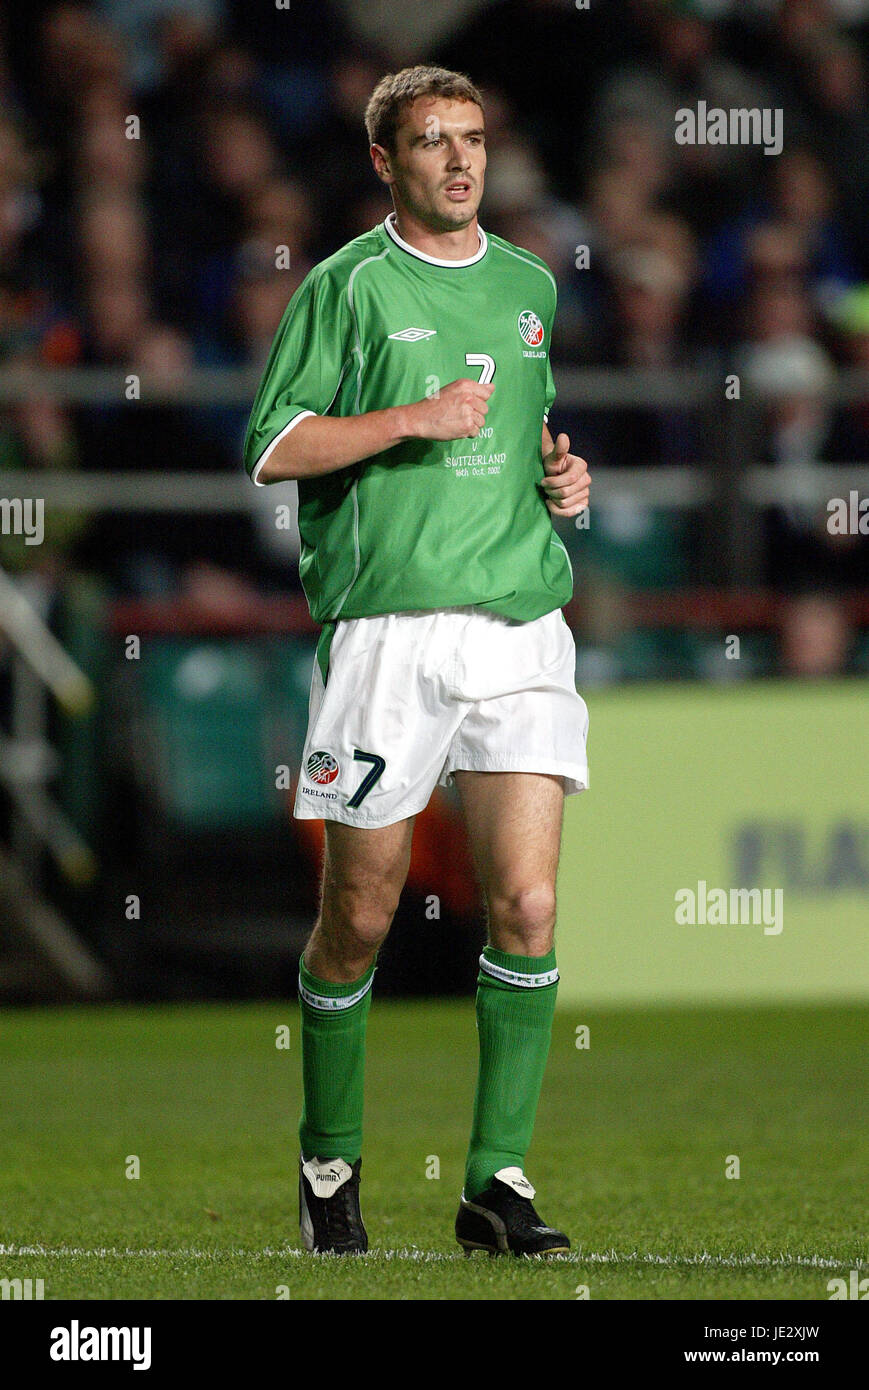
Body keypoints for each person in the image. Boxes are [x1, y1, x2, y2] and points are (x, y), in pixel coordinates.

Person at [244, 65, 591, 1257]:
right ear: (384, 163)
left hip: (517, 625)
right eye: (432, 142)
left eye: (473, 139)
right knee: (361, 914)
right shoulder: (345, 287)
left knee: (529, 905)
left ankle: (495, 1182)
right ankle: (328, 1163)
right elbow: (276, 447)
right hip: (386, 635)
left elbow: (523, 437)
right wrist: (406, 420)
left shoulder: (529, 285)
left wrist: (561, 482)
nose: (459, 159)